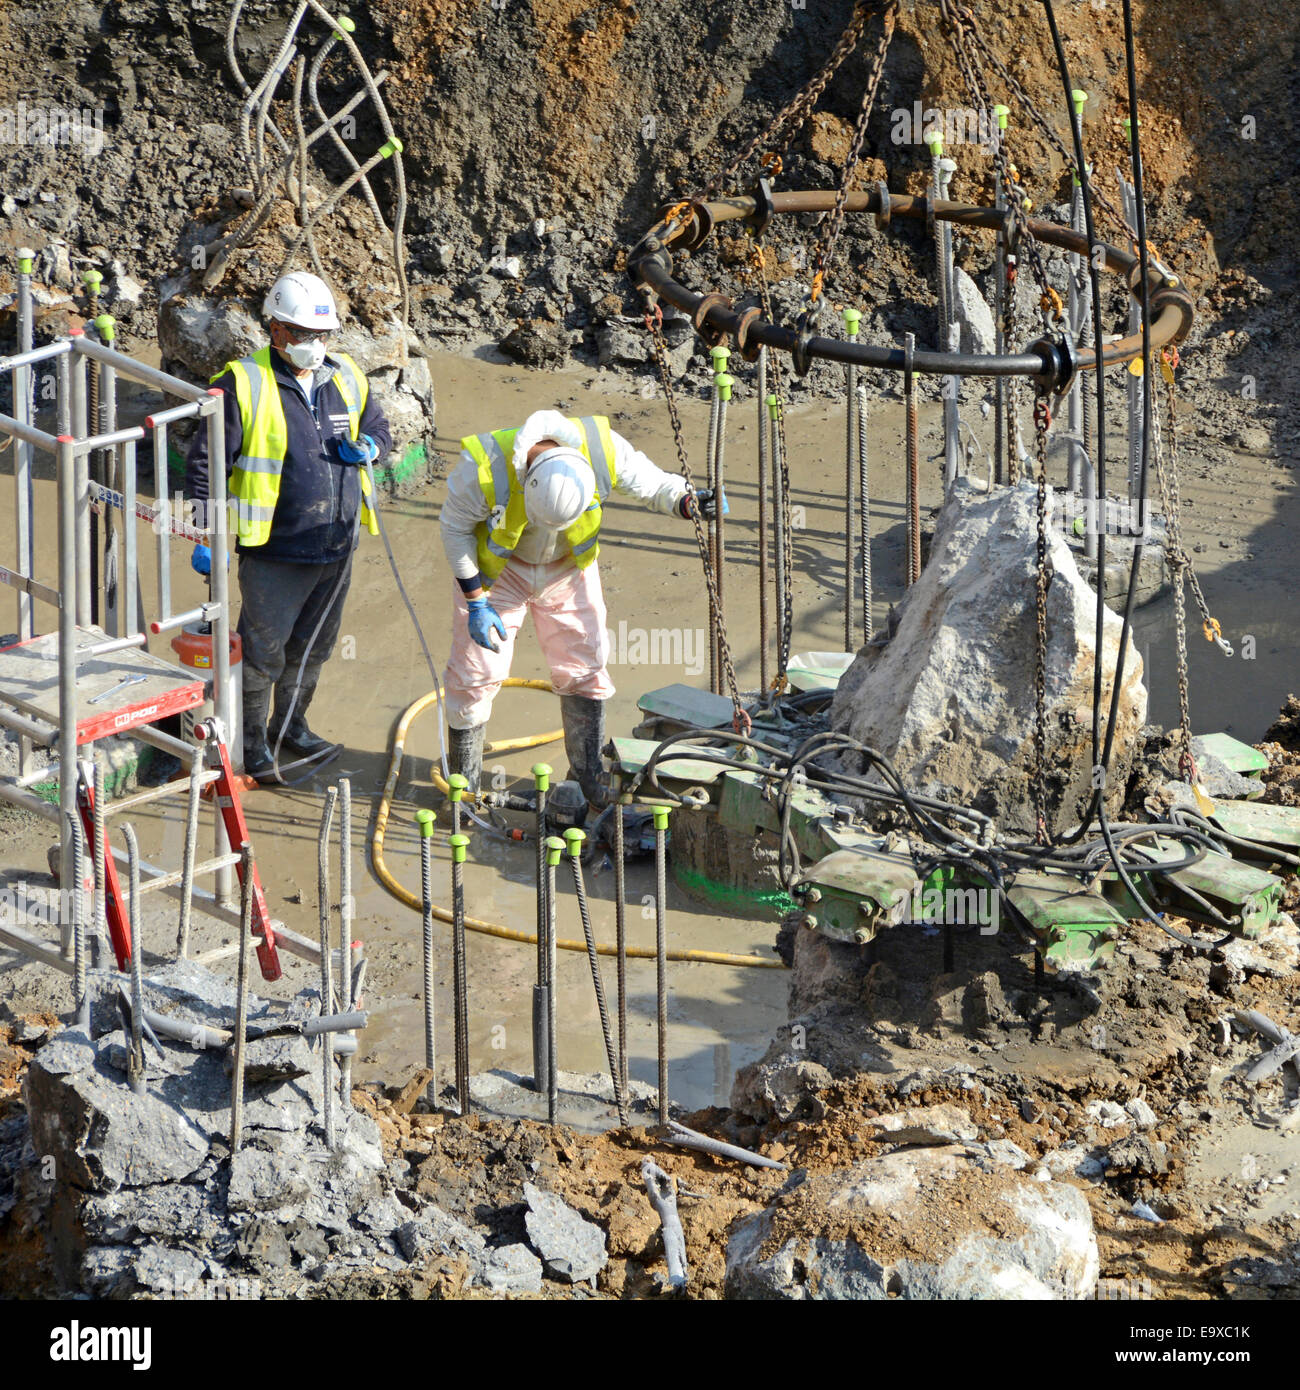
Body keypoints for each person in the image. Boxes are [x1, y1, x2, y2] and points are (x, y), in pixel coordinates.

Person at [438, 408, 725, 808]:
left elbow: (652, 483)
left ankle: (587, 778)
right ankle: (463, 789)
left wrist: (684, 501)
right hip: (499, 575)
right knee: (477, 672)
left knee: (585, 665)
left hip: (567, 569)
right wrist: (476, 602)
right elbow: (454, 529)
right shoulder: (484, 465)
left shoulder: (601, 448)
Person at [184, 270, 392, 783]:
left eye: (321, 336)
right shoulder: (241, 383)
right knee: (262, 654)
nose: (313, 346)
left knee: (315, 647)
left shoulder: (346, 377)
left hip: (336, 544)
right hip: (274, 551)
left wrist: (372, 448)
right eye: (302, 335)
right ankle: (252, 744)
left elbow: (379, 427)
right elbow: (204, 462)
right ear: (275, 330)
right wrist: (206, 532)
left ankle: (290, 728)